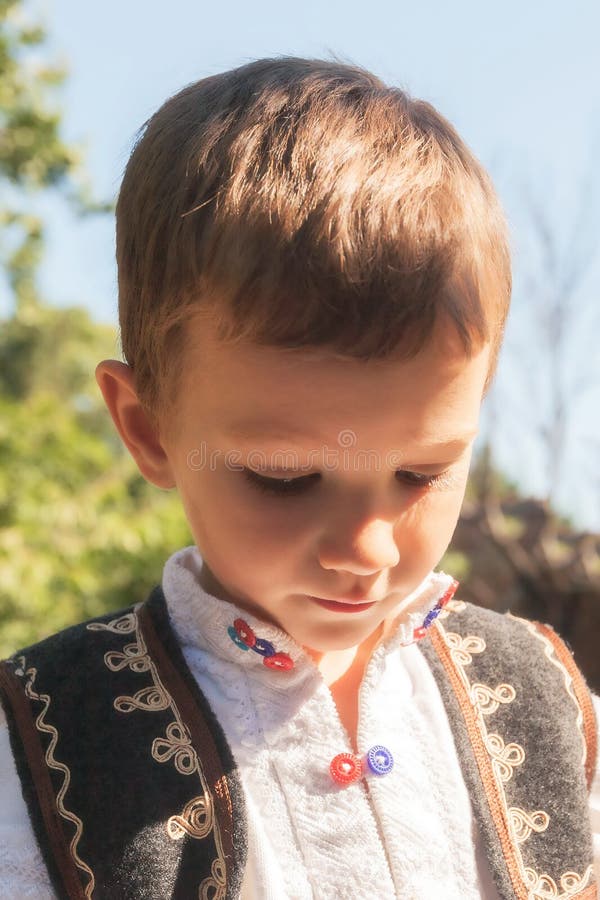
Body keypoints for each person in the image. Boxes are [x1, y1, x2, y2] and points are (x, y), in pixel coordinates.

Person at [0, 56, 598, 900]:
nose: (366, 548)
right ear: (147, 426)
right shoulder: (46, 739)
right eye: (283, 478)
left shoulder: (547, 699)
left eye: (422, 472)